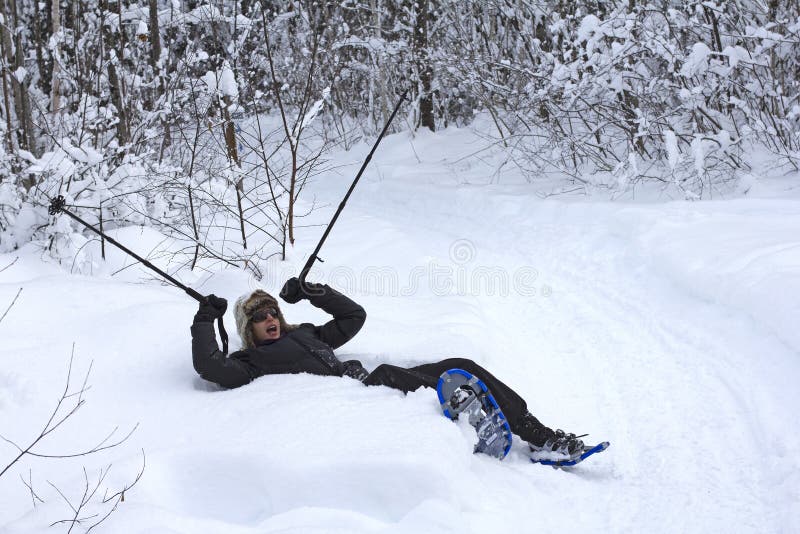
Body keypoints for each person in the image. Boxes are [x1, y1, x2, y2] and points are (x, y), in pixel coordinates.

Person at [191, 278, 586, 459]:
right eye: (258, 316)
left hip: (361, 381)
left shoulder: (309, 333)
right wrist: (205, 319)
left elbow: (353, 318)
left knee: (460, 363)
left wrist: (317, 293)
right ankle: (462, 404)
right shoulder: (251, 362)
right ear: (248, 328)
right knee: (388, 375)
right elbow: (211, 367)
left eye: (272, 310)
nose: (269, 317)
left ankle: (538, 435)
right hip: (350, 400)